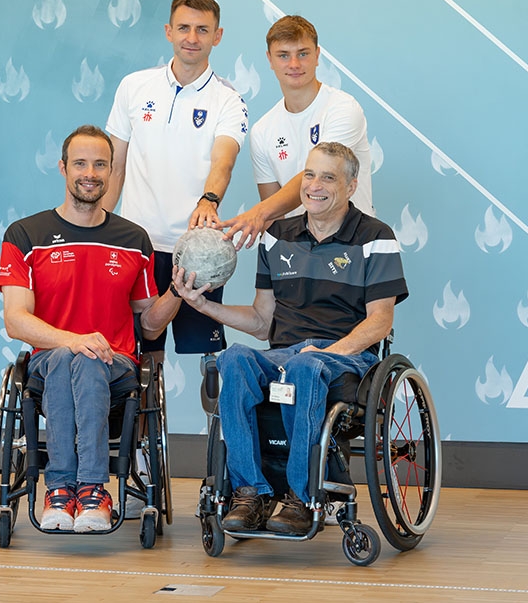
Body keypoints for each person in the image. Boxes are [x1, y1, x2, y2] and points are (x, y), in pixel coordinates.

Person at [173, 142, 408, 535]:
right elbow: (263, 322)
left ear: (351, 186)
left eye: (328, 177)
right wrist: (202, 306)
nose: (314, 185)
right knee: (232, 359)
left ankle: (302, 496)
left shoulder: (375, 236)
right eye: (310, 175)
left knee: (305, 363)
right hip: (285, 354)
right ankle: (251, 493)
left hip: (347, 358)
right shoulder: (277, 236)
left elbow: (379, 323)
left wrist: (326, 351)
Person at [0, 125, 181, 532]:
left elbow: (149, 324)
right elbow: (15, 320)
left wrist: (180, 291)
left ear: (112, 172)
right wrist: (74, 340)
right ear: (63, 168)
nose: (90, 173)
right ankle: (90, 491)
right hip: (49, 366)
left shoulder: (134, 239)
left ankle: (63, 490)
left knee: (87, 360)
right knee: (70, 357)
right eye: (81, 163)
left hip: (116, 369)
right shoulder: (26, 235)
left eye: (100, 164)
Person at [104, 0, 248, 360]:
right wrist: (100, 230)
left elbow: (224, 161)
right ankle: (144, 422)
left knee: (210, 360)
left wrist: (209, 199)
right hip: (139, 246)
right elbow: (114, 165)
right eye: (183, 27)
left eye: (203, 29)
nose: (192, 37)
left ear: (217, 36)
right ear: (169, 31)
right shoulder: (134, 87)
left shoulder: (229, 100)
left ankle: (217, 421)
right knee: (141, 354)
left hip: (198, 250)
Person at [223, 15, 374, 250]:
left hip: (354, 244)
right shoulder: (262, 131)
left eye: (303, 53)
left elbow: (320, 177)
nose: (294, 64)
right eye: (283, 55)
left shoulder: (343, 108)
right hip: (302, 253)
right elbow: (274, 214)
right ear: (269, 60)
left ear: (317, 55)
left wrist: (257, 213)